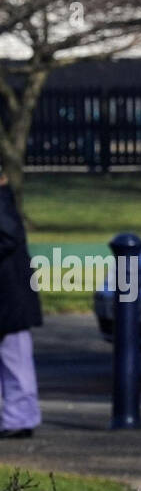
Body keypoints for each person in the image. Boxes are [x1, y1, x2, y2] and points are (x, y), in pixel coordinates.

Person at [0, 172, 42, 440]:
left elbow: (8, 237)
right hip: (9, 296)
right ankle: (18, 416)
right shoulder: (5, 200)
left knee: (15, 359)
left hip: (9, 296)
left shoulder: (2, 202)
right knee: (14, 358)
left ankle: (20, 417)